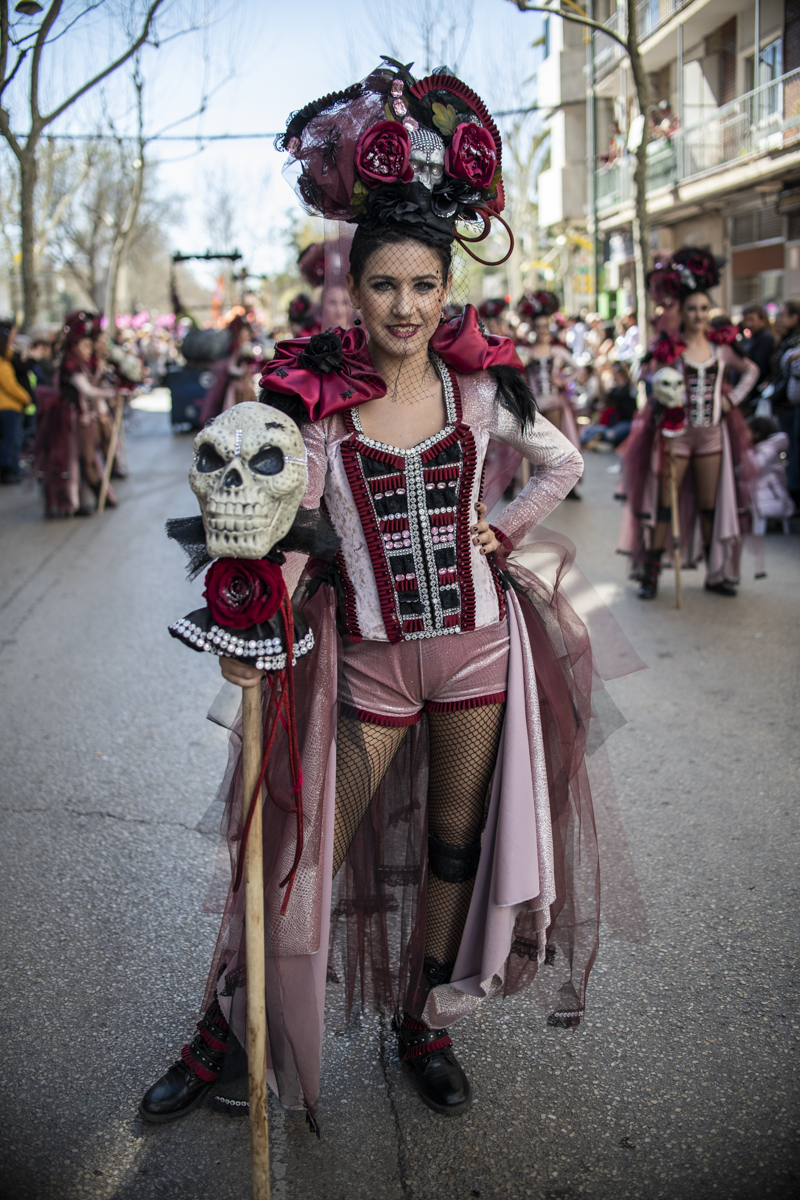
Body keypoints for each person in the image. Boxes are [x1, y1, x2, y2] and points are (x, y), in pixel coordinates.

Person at [140, 60, 642, 1129]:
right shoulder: (320, 404)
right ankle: (224, 1024)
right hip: (366, 663)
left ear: (444, 292)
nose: (404, 306)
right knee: (293, 855)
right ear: (352, 289)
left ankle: (420, 1019)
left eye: (423, 286)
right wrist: (251, 620)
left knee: (451, 848)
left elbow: (560, 467)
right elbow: (284, 530)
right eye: (383, 286)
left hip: (476, 653)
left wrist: (498, 529)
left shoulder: (480, 384)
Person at [618, 247, 759, 599]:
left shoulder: (722, 348)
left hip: (711, 436)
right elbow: (641, 372)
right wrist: (658, 390)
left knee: (710, 506)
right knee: (665, 505)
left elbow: (752, 370)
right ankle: (651, 575)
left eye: (703, 308)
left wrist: (731, 400)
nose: (698, 314)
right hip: (675, 436)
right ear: (682, 310)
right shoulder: (670, 347)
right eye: (692, 308)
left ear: (710, 312)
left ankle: (716, 574)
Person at [768, 301, 800, 500]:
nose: (778, 319)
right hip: (785, 403)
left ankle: (794, 495)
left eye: (783, 315)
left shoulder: (794, 341)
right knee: (790, 450)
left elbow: (793, 369)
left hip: (790, 404)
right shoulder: (785, 340)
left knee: (794, 450)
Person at [747, 415, 794, 536]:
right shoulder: (763, 448)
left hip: (771, 496)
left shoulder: (768, 449)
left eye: (747, 430)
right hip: (769, 494)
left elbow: (754, 468)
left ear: (757, 433)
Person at [0, 318, 31, 483]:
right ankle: (6, 470)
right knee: (10, 440)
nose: (14, 338)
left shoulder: (7, 359)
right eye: (12, 334)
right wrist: (25, 397)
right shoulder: (2, 364)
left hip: (12, 407)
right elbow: (10, 386)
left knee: (13, 440)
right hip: (7, 407)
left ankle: (12, 467)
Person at [580, 362, 637, 448]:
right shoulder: (615, 390)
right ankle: (595, 440)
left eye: (615, 373)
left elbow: (617, 394)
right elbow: (605, 396)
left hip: (627, 423)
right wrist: (599, 379)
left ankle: (597, 440)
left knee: (609, 434)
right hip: (615, 423)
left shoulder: (629, 388)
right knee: (589, 430)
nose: (613, 376)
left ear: (620, 374)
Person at [739, 305, 775, 412]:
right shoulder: (754, 337)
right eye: (745, 320)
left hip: (754, 394)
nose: (748, 324)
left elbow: (760, 367)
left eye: (752, 320)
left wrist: (748, 391)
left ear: (762, 320)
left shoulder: (765, 338)